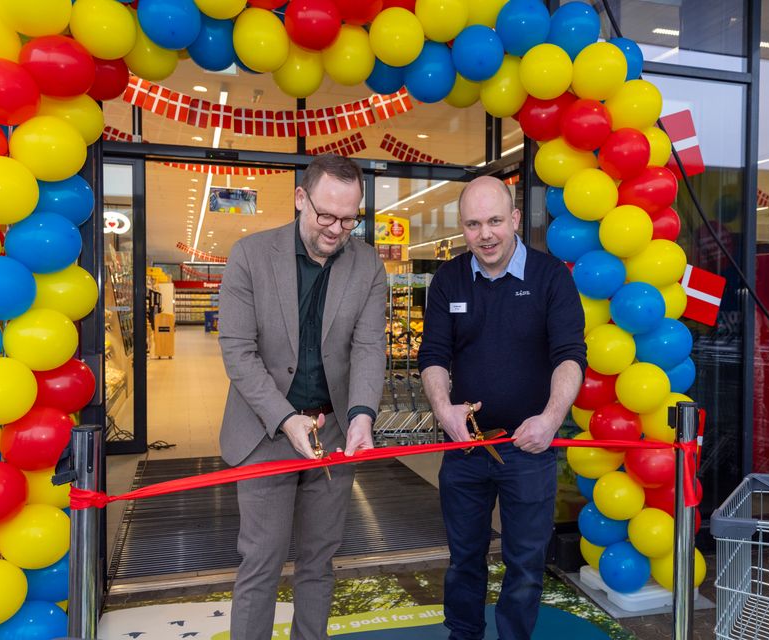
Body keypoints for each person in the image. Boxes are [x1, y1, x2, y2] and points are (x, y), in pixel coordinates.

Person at [218, 154, 387, 640]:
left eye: (350, 218)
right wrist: (286, 418)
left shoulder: (367, 262)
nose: (337, 229)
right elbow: (238, 352)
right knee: (262, 560)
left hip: (332, 430)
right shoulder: (250, 256)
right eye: (326, 215)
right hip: (265, 430)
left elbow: (369, 345)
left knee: (319, 559)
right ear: (300, 199)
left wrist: (361, 416)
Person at [418, 176, 586, 640]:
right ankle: (464, 635)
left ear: (514, 219)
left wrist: (551, 420)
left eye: (495, 220)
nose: (485, 234)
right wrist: (443, 410)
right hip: (465, 447)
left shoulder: (551, 277)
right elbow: (432, 356)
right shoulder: (449, 278)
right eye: (473, 224)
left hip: (529, 449)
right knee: (463, 559)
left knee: (526, 565)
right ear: (462, 228)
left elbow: (570, 356)